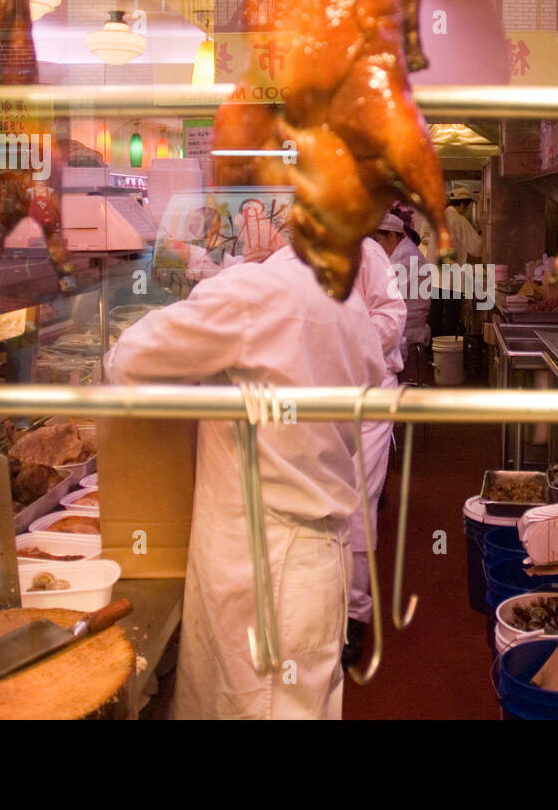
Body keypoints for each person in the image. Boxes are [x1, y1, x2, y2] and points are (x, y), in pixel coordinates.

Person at [105, 219, 385, 720]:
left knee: (253, 705)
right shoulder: (346, 299)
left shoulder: (251, 292)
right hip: (316, 559)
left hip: (264, 565)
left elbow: (126, 362)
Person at [344, 237, 406, 668]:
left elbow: (392, 315)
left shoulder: (367, 252)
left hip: (366, 391)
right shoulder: (280, 253)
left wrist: (342, 341)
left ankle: (353, 616)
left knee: (354, 503)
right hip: (306, 392)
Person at [371, 213, 431, 362]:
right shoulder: (402, 252)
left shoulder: (404, 259)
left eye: (379, 240)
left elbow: (385, 297)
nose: (379, 246)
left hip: (408, 325)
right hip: (409, 320)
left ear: (391, 235)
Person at [431, 185, 483, 338]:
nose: (465, 210)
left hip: (435, 276)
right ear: (462, 204)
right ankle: (448, 355)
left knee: (436, 317)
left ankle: (433, 355)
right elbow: (476, 248)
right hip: (451, 279)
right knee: (449, 321)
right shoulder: (458, 220)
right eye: (465, 207)